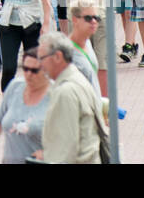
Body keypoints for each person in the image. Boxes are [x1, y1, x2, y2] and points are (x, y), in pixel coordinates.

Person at [0, 48, 49, 163]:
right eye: (25, 69)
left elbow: (70, 139)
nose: (28, 74)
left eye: (34, 70)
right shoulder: (15, 87)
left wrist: (47, 153)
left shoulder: (58, 95)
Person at [38, 32, 105, 164]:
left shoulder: (65, 92)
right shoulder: (77, 79)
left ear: (57, 57)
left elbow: (67, 146)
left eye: (42, 58)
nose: (40, 65)